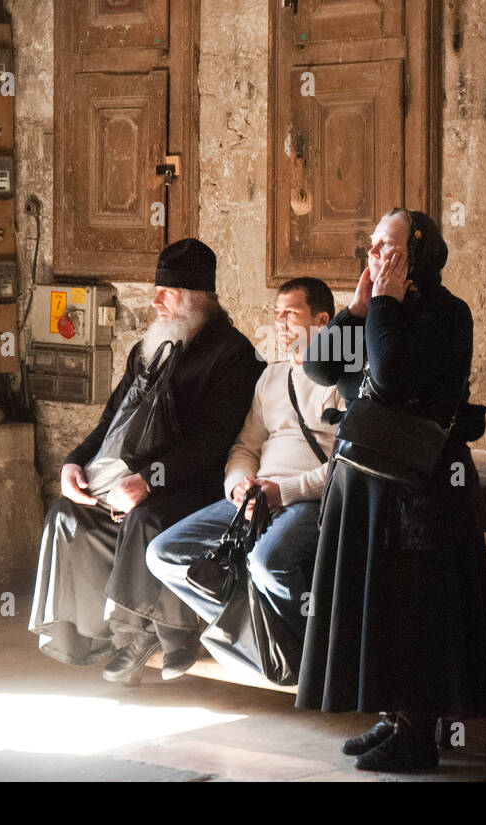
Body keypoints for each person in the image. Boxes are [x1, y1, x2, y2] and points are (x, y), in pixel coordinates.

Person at [297, 207, 486, 772]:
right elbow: (318, 368)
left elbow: (389, 377)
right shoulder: (374, 311)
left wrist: (382, 306)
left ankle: (417, 735)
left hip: (422, 490)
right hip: (369, 489)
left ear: (418, 254)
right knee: (378, 606)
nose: (374, 257)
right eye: (371, 247)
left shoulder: (447, 314)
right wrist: (359, 308)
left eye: (387, 248)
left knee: (416, 609)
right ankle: (391, 716)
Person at [30, 239, 266, 685]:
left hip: (192, 483)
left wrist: (148, 481)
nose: (155, 301)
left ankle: (141, 634)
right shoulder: (149, 349)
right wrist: (74, 462)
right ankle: (92, 632)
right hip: (129, 479)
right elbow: (110, 423)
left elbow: (212, 444)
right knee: (68, 512)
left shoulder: (234, 356)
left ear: (195, 298)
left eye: (167, 293)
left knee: (146, 517)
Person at [145, 277, 342, 681]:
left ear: (322, 320)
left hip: (309, 501)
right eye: (276, 315)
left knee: (267, 563)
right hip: (253, 499)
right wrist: (238, 484)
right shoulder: (271, 377)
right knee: (163, 553)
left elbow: (346, 465)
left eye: (291, 314)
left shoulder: (348, 380)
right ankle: (259, 641)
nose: (280, 323)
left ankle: (316, 664)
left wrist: (283, 491)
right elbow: (245, 447)